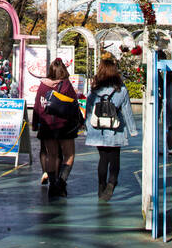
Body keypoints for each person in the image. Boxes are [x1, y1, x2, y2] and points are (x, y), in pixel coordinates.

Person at [83, 55, 138, 201]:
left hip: (98, 128)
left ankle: (101, 187)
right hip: (115, 128)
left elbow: (88, 110)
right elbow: (127, 111)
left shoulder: (94, 89)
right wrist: (132, 130)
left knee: (103, 159)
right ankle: (111, 184)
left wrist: (88, 128)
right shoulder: (121, 90)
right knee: (114, 158)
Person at [30, 58, 82, 199]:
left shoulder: (43, 86)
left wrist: (35, 124)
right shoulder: (66, 85)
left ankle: (52, 184)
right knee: (69, 154)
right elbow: (74, 105)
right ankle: (62, 182)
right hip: (65, 126)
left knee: (51, 155)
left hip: (47, 126)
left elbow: (37, 106)